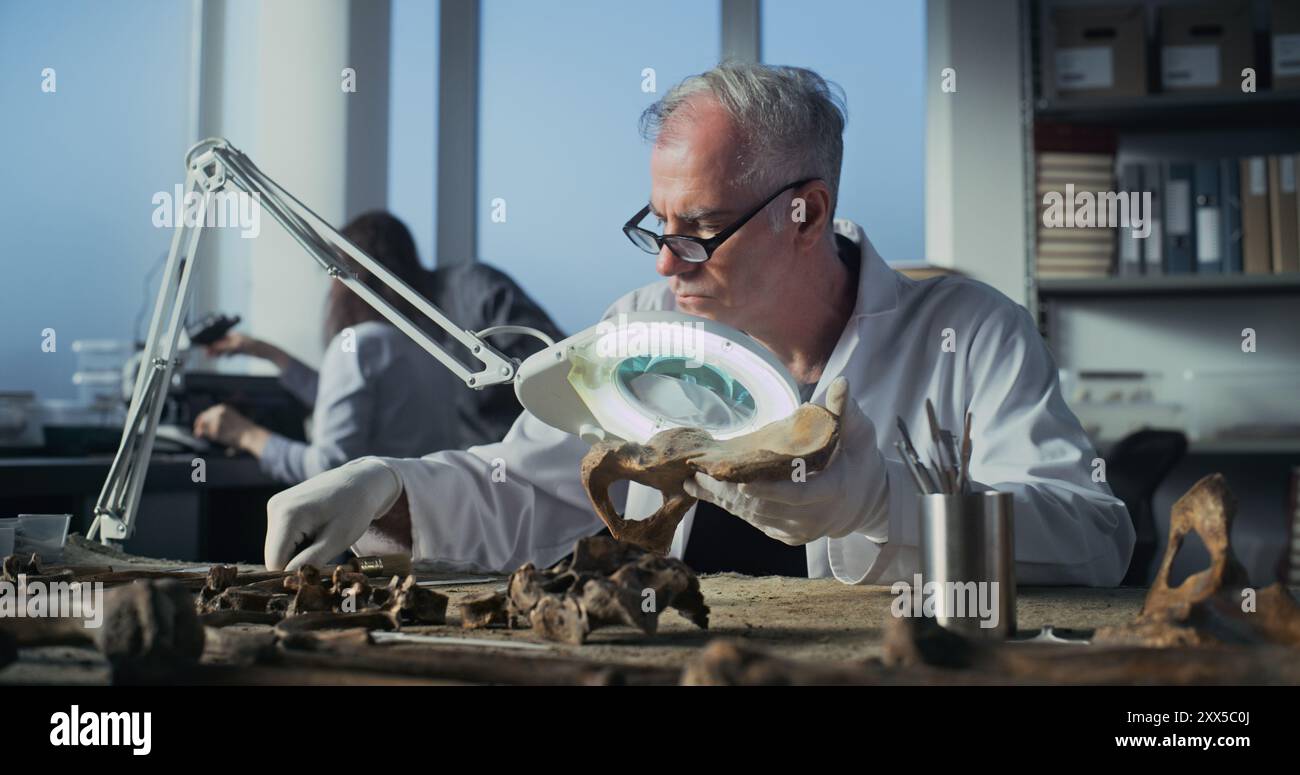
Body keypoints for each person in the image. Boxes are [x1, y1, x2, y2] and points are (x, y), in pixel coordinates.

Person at [262, 63, 1135, 587]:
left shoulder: (972, 334)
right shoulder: (643, 328)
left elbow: (1096, 535)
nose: (665, 262)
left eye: (700, 230)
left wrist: (887, 505)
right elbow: (522, 490)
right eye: (656, 224)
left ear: (807, 210)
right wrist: (383, 485)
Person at [194, 212, 561, 482]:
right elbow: (357, 401)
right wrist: (270, 354)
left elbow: (330, 470)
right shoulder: (418, 346)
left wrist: (245, 435)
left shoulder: (374, 342)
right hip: (446, 500)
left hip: (503, 475)